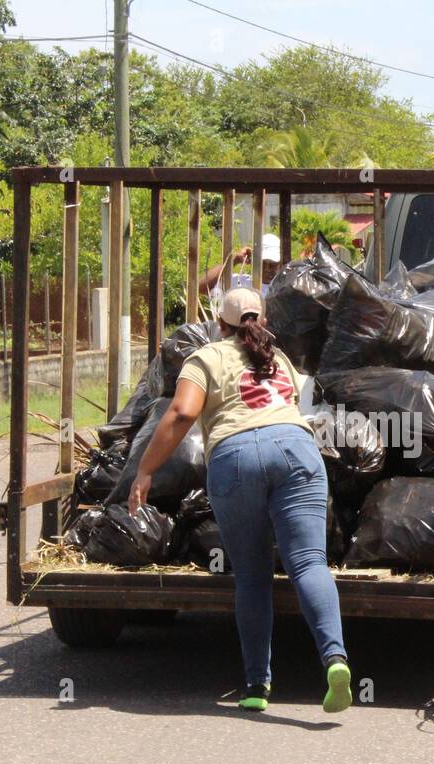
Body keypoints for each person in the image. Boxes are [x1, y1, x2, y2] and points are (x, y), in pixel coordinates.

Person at [127, 287, 351, 715]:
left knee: (251, 575)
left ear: (219, 324)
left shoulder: (206, 357)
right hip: (297, 450)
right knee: (308, 563)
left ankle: (256, 685)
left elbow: (180, 414)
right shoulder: (278, 357)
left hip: (235, 458)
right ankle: (335, 659)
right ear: (261, 319)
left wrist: (146, 470)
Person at [199, 233, 281, 304]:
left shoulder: (285, 289)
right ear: (254, 261)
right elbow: (201, 287)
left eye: (272, 264)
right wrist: (235, 260)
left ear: (280, 264)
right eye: (263, 262)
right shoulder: (239, 283)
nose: (267, 268)